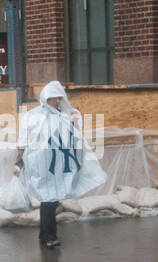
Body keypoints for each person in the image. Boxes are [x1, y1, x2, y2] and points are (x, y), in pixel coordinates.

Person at [13, 81, 106, 248]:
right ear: (46, 98)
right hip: (41, 165)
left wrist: (74, 123)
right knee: (48, 199)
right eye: (54, 98)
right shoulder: (35, 116)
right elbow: (23, 141)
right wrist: (18, 164)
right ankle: (49, 237)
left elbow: (73, 136)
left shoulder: (64, 115)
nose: (58, 101)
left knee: (51, 200)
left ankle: (45, 235)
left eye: (59, 98)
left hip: (58, 166)